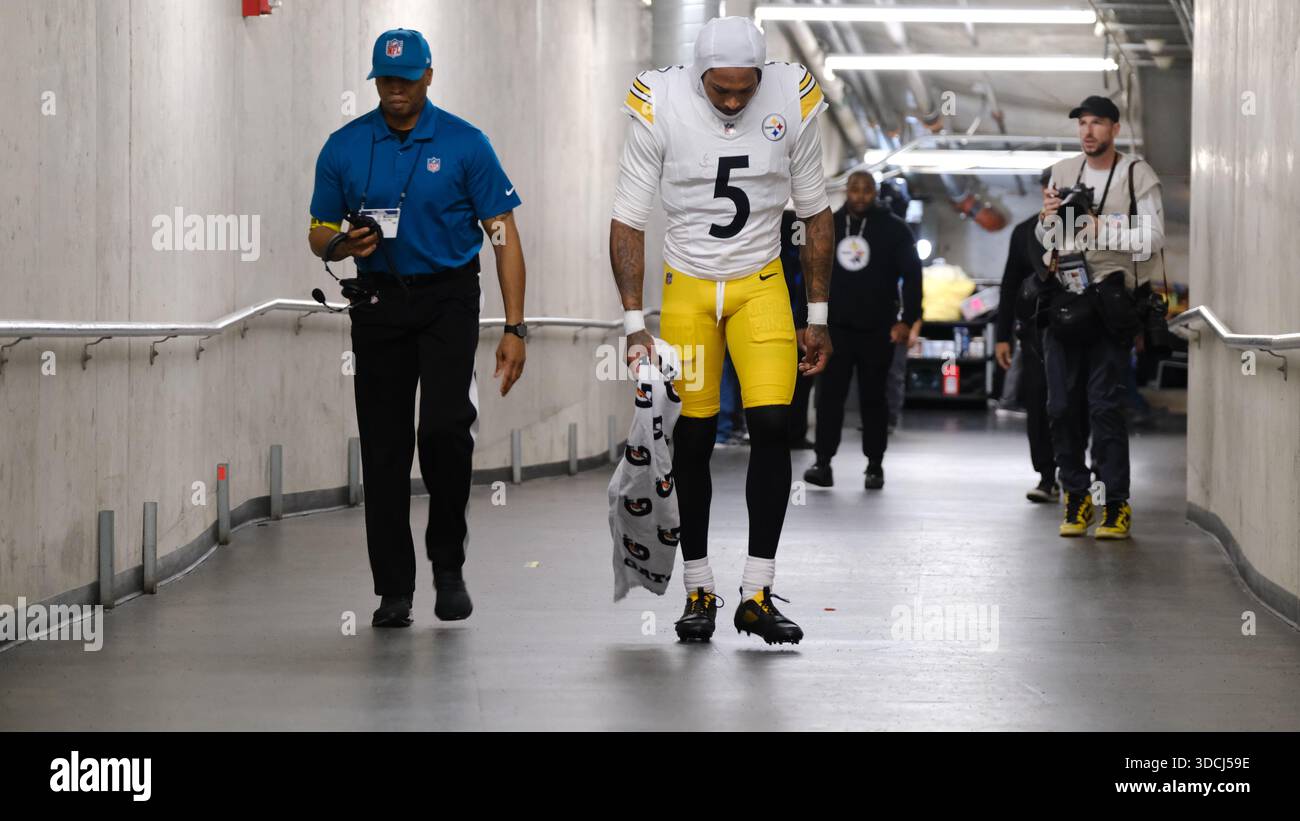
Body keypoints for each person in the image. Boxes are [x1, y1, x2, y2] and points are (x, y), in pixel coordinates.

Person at [608, 17, 833, 645]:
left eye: (744, 89)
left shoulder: (791, 93)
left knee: (773, 427)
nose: (733, 101)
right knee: (695, 439)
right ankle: (699, 587)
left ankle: (756, 589)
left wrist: (817, 315)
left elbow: (815, 211)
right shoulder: (660, 101)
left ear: (762, 77)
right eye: (721, 89)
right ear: (698, 73)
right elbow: (627, 219)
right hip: (687, 289)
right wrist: (633, 325)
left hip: (760, 284)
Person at [308, 29, 528, 626]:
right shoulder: (344, 147)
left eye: (407, 79)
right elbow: (316, 231)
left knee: (444, 431)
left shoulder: (465, 144)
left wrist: (515, 326)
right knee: (384, 449)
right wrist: (338, 242)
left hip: (448, 300)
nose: (396, 90)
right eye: (386, 80)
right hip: (377, 301)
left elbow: (503, 236)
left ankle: (448, 563)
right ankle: (394, 591)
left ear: (429, 77)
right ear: (375, 81)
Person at [1036, 95, 1165, 539]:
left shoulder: (1136, 174)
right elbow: (1047, 238)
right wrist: (1048, 218)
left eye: (1097, 124)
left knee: (1106, 406)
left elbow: (1153, 236)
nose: (1088, 131)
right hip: (1065, 300)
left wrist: (1101, 227)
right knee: (1059, 406)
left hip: (1111, 304)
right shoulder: (1062, 172)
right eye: (1082, 124)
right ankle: (1076, 495)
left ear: (1114, 128)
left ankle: (1115, 502)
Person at [803, 171, 921, 490]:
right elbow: (811, 271)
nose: (860, 196)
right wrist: (809, 321)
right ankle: (823, 462)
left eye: (866, 190)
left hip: (878, 329)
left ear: (874, 192)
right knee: (829, 398)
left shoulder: (894, 229)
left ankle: (874, 466)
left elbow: (912, 276)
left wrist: (907, 320)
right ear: (845, 191)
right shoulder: (829, 225)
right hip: (835, 330)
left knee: (874, 398)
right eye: (854, 189)